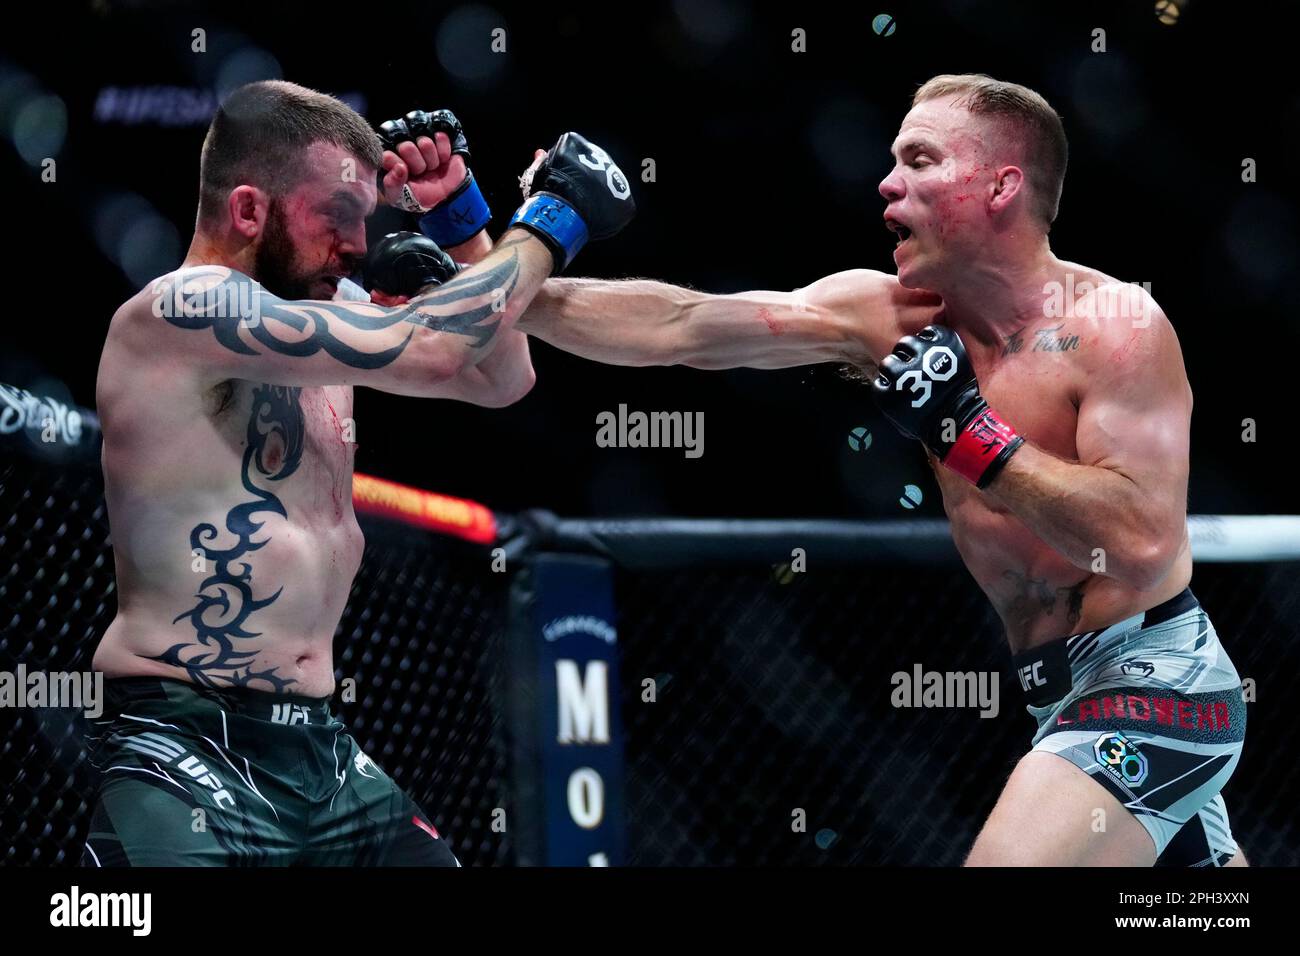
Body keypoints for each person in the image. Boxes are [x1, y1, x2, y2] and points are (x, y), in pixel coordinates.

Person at [513, 73, 1246, 867]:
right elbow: (682, 324)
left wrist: (972, 436)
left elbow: (1138, 539)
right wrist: (499, 278)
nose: (885, 182)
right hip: (1053, 689)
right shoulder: (889, 315)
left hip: (1156, 678)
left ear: (1001, 185)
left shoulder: (1115, 327)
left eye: (920, 160)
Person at [83, 80, 633, 865]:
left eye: (363, 221)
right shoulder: (180, 313)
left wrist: (461, 219)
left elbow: (502, 378)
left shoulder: (325, 302)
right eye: (336, 219)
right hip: (180, 737)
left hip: (320, 747)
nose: (355, 245)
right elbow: (439, 345)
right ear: (248, 212)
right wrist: (554, 216)